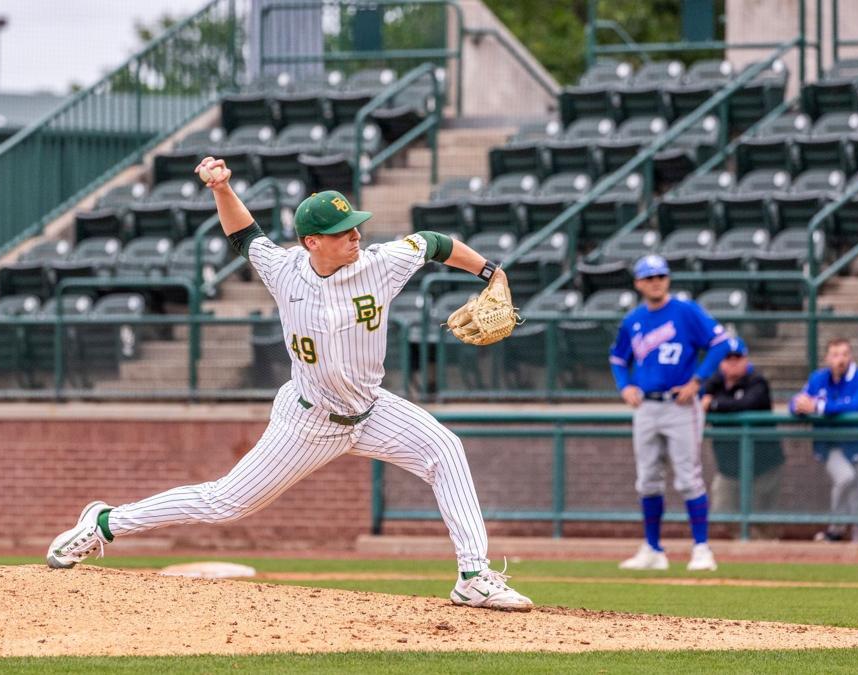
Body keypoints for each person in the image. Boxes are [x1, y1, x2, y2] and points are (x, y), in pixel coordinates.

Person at [46, 157, 533, 612]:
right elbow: (244, 235)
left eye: (355, 226)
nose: (355, 235)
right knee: (225, 503)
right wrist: (222, 188)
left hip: (371, 410)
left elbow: (433, 241)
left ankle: (472, 575)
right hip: (308, 420)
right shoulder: (284, 270)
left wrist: (490, 272)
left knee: (444, 449)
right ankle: (105, 523)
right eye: (341, 232)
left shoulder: (382, 262)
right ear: (311, 242)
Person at [609, 255, 733, 571]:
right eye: (649, 277)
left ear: (668, 279)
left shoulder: (685, 310)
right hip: (647, 406)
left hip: (680, 405)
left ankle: (702, 549)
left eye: (660, 276)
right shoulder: (633, 320)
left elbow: (721, 343)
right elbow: (618, 358)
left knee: (689, 478)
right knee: (647, 480)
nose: (655, 282)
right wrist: (624, 386)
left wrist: (697, 381)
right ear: (638, 283)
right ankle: (652, 549)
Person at [789, 338, 858, 544]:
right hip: (832, 445)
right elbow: (797, 401)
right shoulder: (818, 378)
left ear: (851, 356)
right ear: (828, 358)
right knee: (845, 477)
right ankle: (836, 529)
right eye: (836, 355)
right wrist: (798, 406)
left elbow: (856, 405)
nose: (841, 360)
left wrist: (819, 407)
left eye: (845, 354)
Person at [701, 337, 784, 537]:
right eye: (728, 359)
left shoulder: (757, 381)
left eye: (737, 358)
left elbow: (747, 403)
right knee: (722, 511)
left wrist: (714, 405)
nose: (733, 363)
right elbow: (696, 399)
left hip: (762, 464)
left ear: (746, 360)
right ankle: (747, 546)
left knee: (760, 517)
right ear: (720, 362)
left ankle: (768, 551)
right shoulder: (713, 383)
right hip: (729, 465)